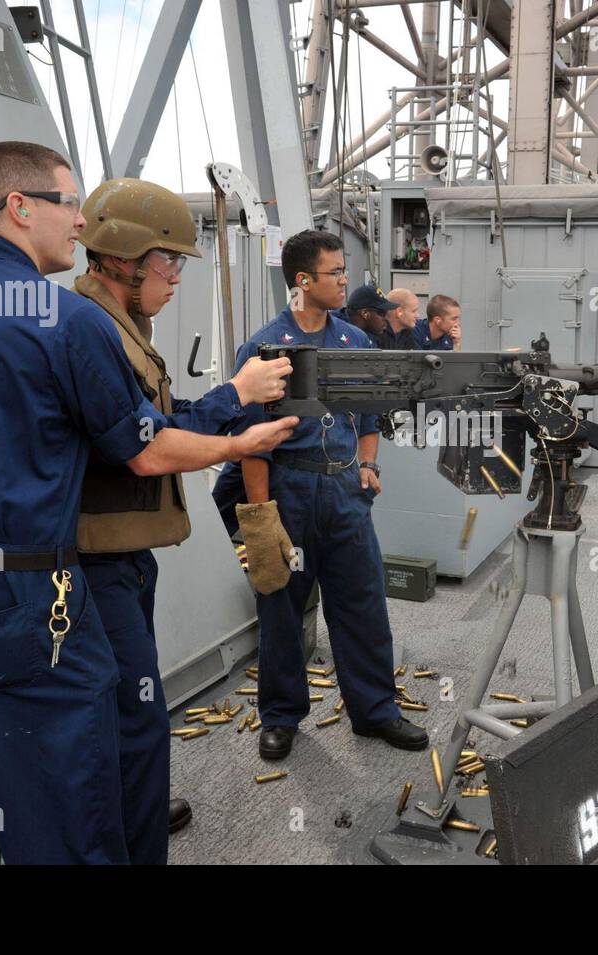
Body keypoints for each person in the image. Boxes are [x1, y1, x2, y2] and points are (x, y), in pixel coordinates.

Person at [0, 141, 296, 864]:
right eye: (70, 204)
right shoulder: (64, 320)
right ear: (20, 206)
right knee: (65, 811)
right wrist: (238, 443)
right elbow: (146, 449)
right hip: (19, 595)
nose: (80, 224)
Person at [71, 177, 292, 863]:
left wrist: (230, 400)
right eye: (168, 264)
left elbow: (155, 421)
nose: (174, 280)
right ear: (125, 257)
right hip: (95, 563)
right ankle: (129, 837)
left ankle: (130, 807)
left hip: (122, 557)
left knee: (126, 710)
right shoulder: (92, 330)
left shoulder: (122, 327)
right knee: (133, 716)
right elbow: (145, 447)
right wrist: (237, 411)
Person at [212, 230, 428, 761]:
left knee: (362, 601)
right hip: (288, 487)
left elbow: (371, 418)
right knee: (282, 605)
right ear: (303, 280)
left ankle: (374, 711)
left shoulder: (357, 343)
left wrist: (370, 465)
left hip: (344, 490)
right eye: (336, 273)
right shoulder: (263, 350)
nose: (344, 282)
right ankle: (282, 716)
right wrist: (262, 519)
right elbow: (251, 446)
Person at [344, 283, 416, 349]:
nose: (386, 318)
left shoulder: (376, 331)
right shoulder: (336, 328)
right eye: (382, 313)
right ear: (365, 313)